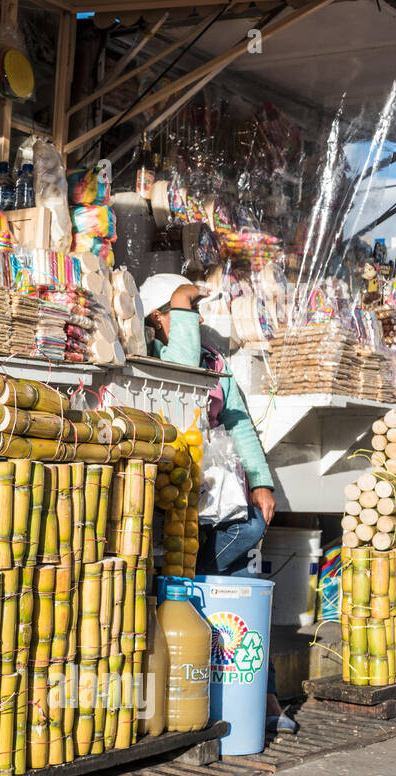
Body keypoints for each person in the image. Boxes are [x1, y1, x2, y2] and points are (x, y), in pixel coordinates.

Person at [139, 274, 297, 735]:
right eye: (184, 311)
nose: (198, 319)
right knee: (217, 584)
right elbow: (183, 378)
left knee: (245, 548)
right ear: (158, 318)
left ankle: (260, 696)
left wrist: (262, 483)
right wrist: (185, 302)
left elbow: (239, 423)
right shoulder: (157, 355)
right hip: (173, 493)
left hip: (217, 496)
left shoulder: (215, 361)